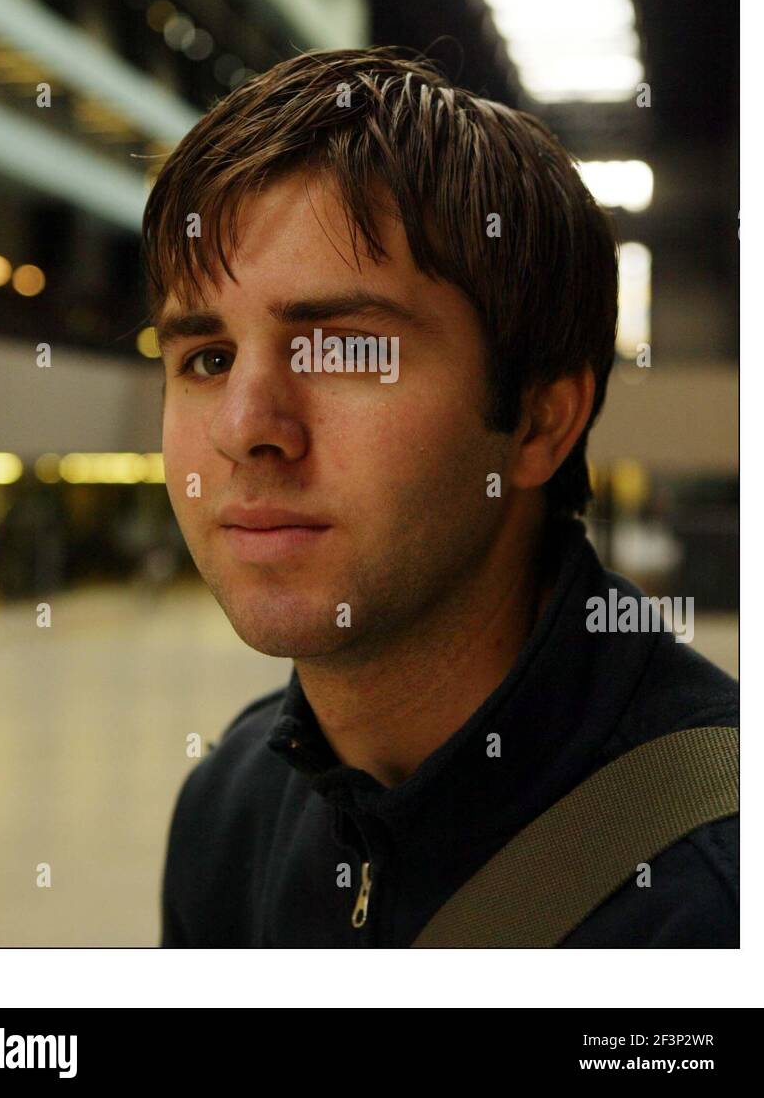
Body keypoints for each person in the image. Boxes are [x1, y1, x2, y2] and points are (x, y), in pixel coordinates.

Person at [145, 46, 738, 948]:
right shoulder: (229, 811)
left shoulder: (711, 897)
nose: (244, 426)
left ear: (537, 421)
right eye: (207, 358)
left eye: (343, 350)